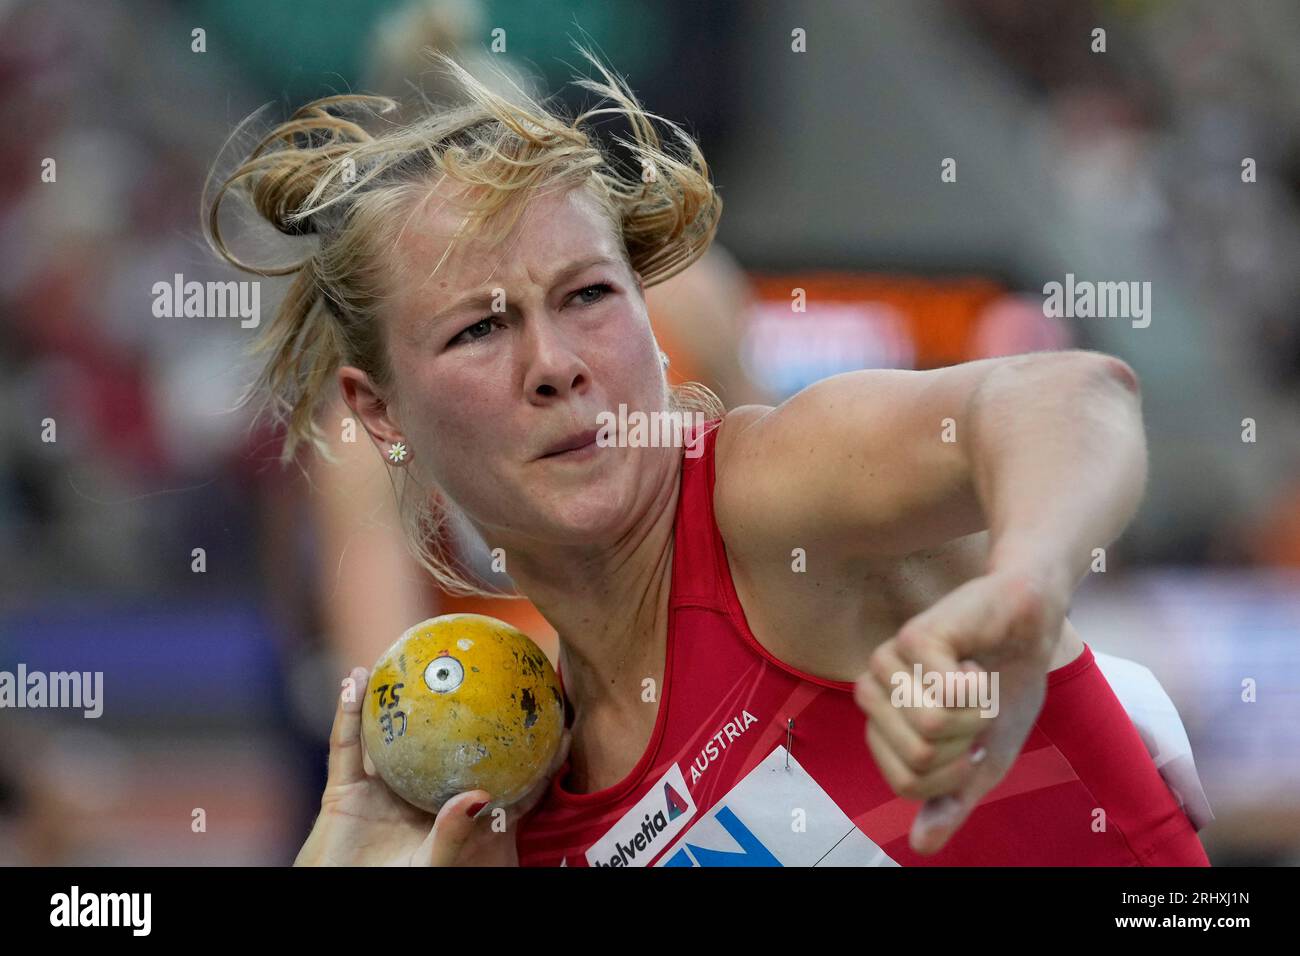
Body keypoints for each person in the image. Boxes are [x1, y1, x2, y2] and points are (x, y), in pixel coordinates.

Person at [204, 48, 1208, 866]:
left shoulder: (772, 503)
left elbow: (1065, 395)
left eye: (590, 296)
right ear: (377, 410)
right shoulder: (519, 820)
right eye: (479, 330)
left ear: (653, 313)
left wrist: (1025, 585)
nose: (555, 365)